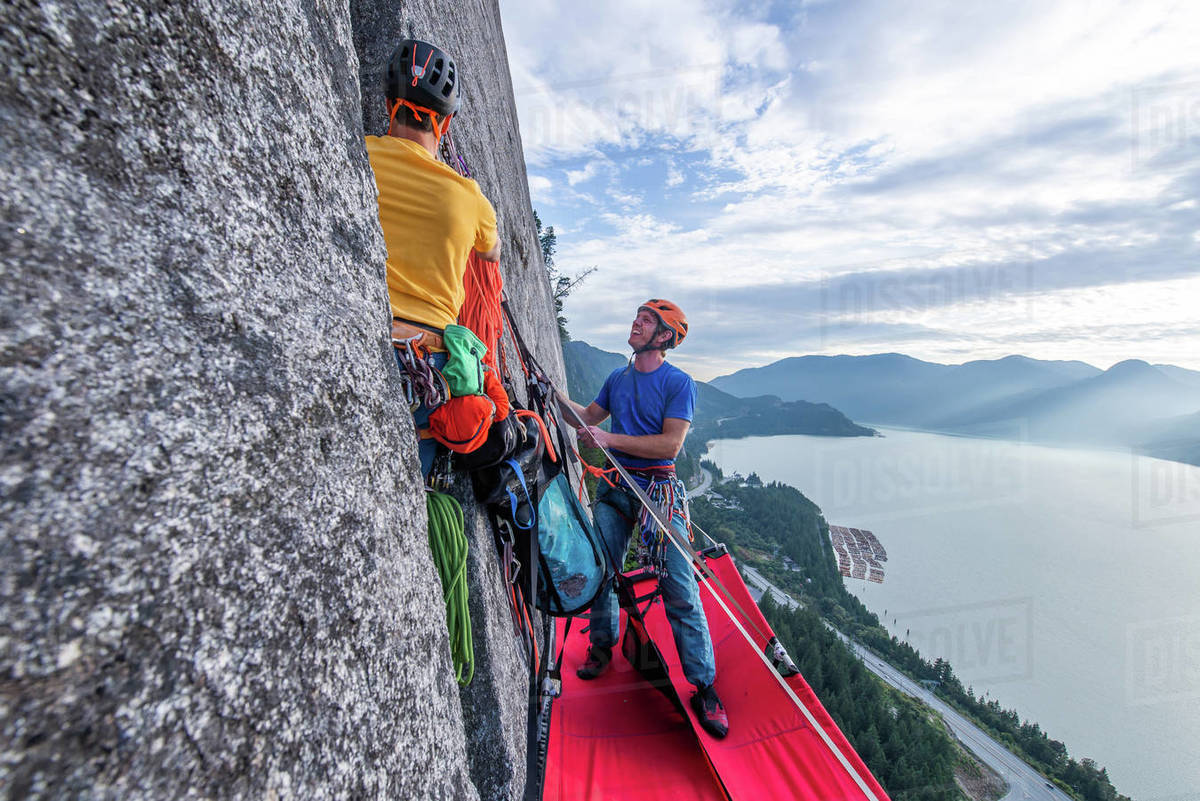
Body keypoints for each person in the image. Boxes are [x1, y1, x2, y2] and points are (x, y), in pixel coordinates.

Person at [561, 299, 728, 739]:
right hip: (616, 487)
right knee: (602, 568)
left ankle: (704, 684)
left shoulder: (678, 383)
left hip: (658, 491)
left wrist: (609, 437)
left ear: (664, 336)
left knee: (678, 585)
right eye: (639, 316)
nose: (637, 322)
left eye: (648, 319)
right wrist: (552, 394)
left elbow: (670, 447)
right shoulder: (618, 378)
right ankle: (601, 645)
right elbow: (587, 418)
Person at [365, 38, 501, 475]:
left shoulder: (360, 155)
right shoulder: (469, 195)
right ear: (446, 121)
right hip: (431, 366)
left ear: (388, 104)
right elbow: (491, 251)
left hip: (365, 335)